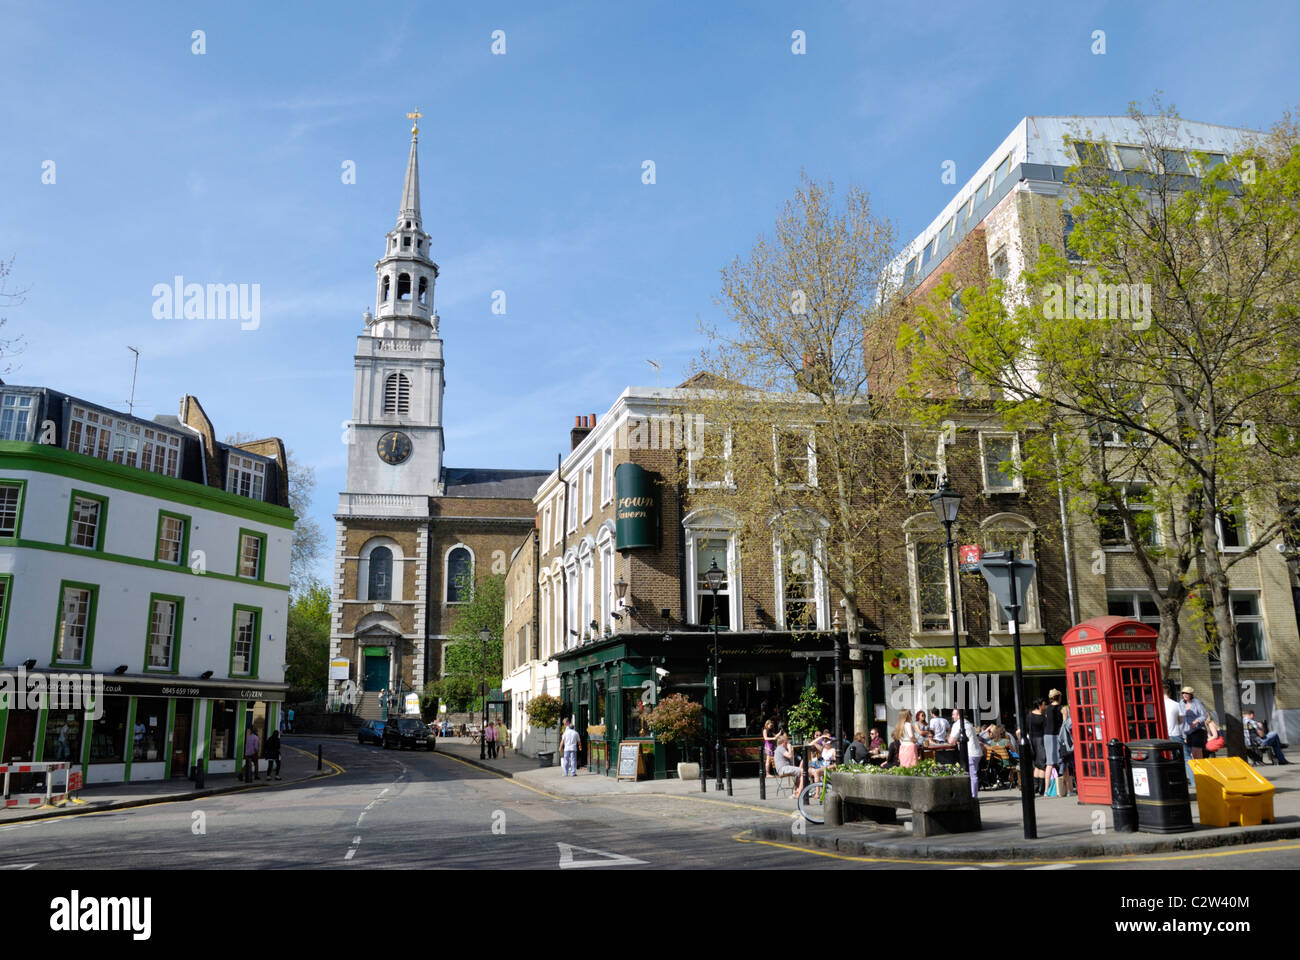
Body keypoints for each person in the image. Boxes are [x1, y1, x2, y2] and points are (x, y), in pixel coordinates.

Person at [948, 709, 981, 798]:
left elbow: (951, 740)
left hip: (969, 752)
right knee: (972, 774)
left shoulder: (958, 724)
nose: (952, 716)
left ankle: (973, 797)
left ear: (959, 715)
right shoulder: (968, 723)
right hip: (976, 752)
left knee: (971, 775)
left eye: (953, 714)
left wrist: (953, 739)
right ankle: (971, 794)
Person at [1180, 686, 1210, 758]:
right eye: (1183, 693)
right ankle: (1194, 768)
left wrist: (1196, 721)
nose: (1185, 695)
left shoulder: (1197, 702)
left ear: (1191, 694)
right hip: (1188, 731)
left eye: (1187, 693)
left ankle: (1200, 767)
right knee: (1191, 752)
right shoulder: (1181, 703)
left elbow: (1204, 715)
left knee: (1196, 750)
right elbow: (1181, 716)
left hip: (1198, 730)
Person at [1026, 699, 1048, 795]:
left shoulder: (1029, 715)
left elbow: (1026, 729)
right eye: (1044, 704)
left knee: (1037, 765)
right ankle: (1041, 789)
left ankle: (1035, 787)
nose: (1045, 706)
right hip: (1041, 741)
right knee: (1042, 765)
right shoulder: (1042, 717)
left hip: (1032, 741)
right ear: (1039, 705)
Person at [1058, 706, 1074, 797]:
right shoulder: (1068, 722)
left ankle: (1068, 790)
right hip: (1070, 747)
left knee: (1066, 766)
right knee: (1067, 766)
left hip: (1067, 747)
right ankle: (1069, 790)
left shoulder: (1067, 722)